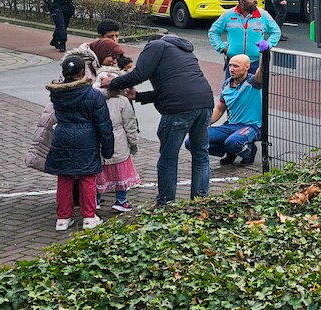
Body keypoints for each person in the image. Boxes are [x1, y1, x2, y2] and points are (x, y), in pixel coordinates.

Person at [107, 34, 213, 206]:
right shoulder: (183, 50)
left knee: (168, 157)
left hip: (178, 108)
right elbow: (175, 85)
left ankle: (166, 203)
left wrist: (112, 83)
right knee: (201, 154)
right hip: (204, 102)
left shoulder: (155, 46)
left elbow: (139, 74)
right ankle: (200, 201)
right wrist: (140, 96)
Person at [45, 54, 114, 231]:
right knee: (87, 176)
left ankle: (62, 218)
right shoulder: (93, 95)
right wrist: (108, 149)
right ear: (83, 71)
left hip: (63, 135)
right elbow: (103, 124)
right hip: (86, 137)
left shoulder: (57, 93)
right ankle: (89, 217)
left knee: (65, 177)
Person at [192, 53, 264, 166]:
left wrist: (263, 53)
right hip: (230, 126)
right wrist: (203, 124)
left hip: (251, 127)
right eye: (230, 65)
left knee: (234, 142)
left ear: (247, 67)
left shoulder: (253, 82)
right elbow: (219, 110)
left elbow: (261, 71)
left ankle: (248, 152)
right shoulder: (226, 84)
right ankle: (230, 151)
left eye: (236, 66)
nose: (231, 69)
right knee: (192, 140)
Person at [92, 67, 140, 213]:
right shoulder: (122, 101)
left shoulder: (92, 99)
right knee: (121, 172)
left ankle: (96, 200)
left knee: (99, 173)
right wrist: (133, 143)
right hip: (119, 142)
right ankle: (121, 201)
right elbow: (130, 124)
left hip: (97, 141)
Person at [208, 0, 281, 78]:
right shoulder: (228, 15)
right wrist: (222, 48)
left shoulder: (263, 15)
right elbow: (213, 32)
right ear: (241, 2)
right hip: (234, 64)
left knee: (254, 91)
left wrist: (268, 44)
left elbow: (276, 32)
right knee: (232, 91)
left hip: (254, 63)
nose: (255, 1)